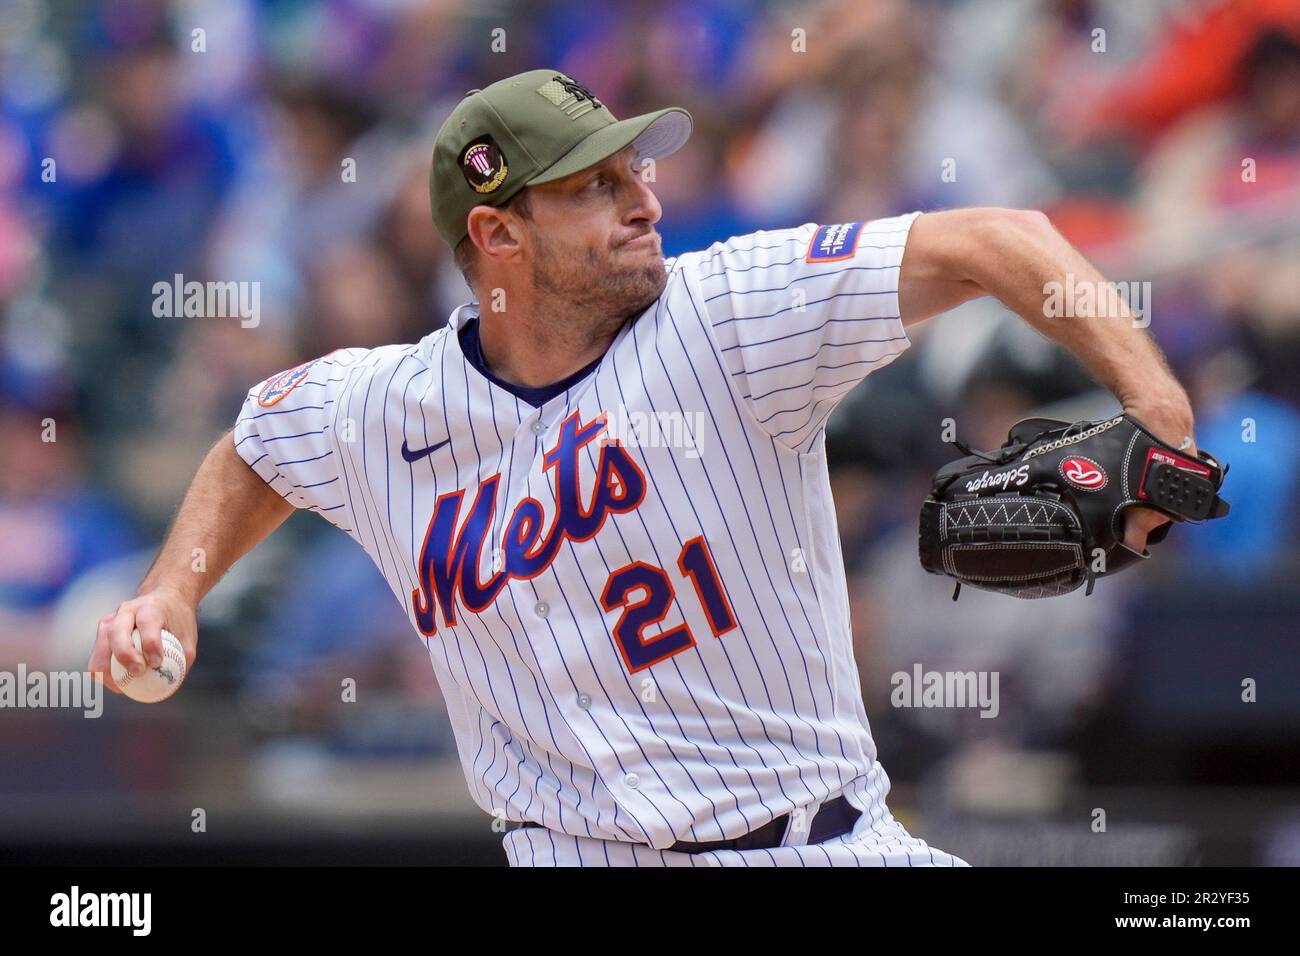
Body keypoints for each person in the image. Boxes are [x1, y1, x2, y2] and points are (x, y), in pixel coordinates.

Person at [88, 70, 1193, 866]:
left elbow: (994, 240)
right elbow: (255, 447)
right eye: (593, 187)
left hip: (812, 844)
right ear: (498, 234)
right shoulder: (380, 402)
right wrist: (171, 588)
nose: (645, 202)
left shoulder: (729, 312)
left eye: (636, 171)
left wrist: (1157, 411)